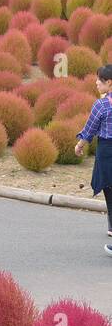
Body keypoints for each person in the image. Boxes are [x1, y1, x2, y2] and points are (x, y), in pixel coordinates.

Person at [74, 64, 112, 256]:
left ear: (109, 83)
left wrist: (79, 145)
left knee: (108, 186)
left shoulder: (102, 105)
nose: (96, 82)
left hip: (107, 151)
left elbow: (90, 129)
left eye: (100, 80)